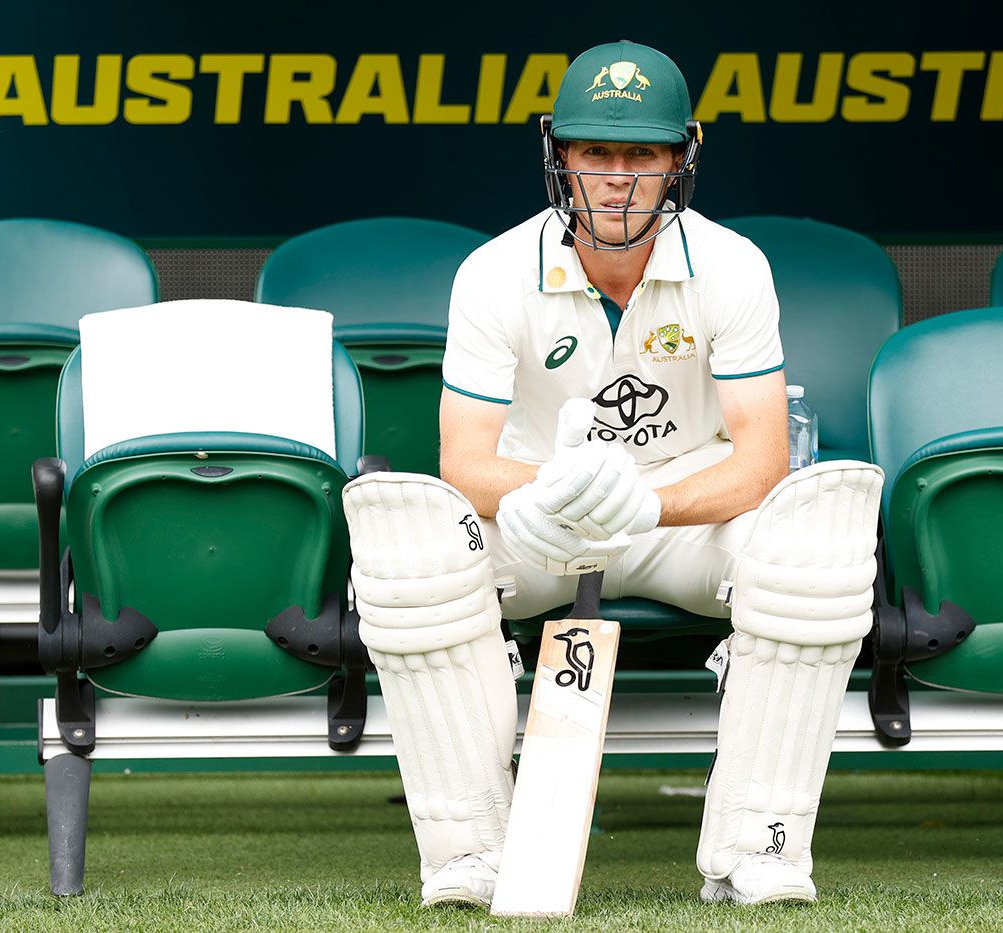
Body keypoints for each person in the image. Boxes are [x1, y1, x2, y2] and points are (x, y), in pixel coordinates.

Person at [341, 39, 882, 908]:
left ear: (682, 158)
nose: (620, 178)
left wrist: (651, 502)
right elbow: (464, 462)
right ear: (560, 155)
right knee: (415, 554)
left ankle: (761, 843)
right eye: (598, 152)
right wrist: (546, 497)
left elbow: (762, 459)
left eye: (643, 154)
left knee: (812, 544)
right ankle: (470, 851)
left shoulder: (734, 266)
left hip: (683, 513)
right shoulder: (493, 273)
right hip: (540, 512)